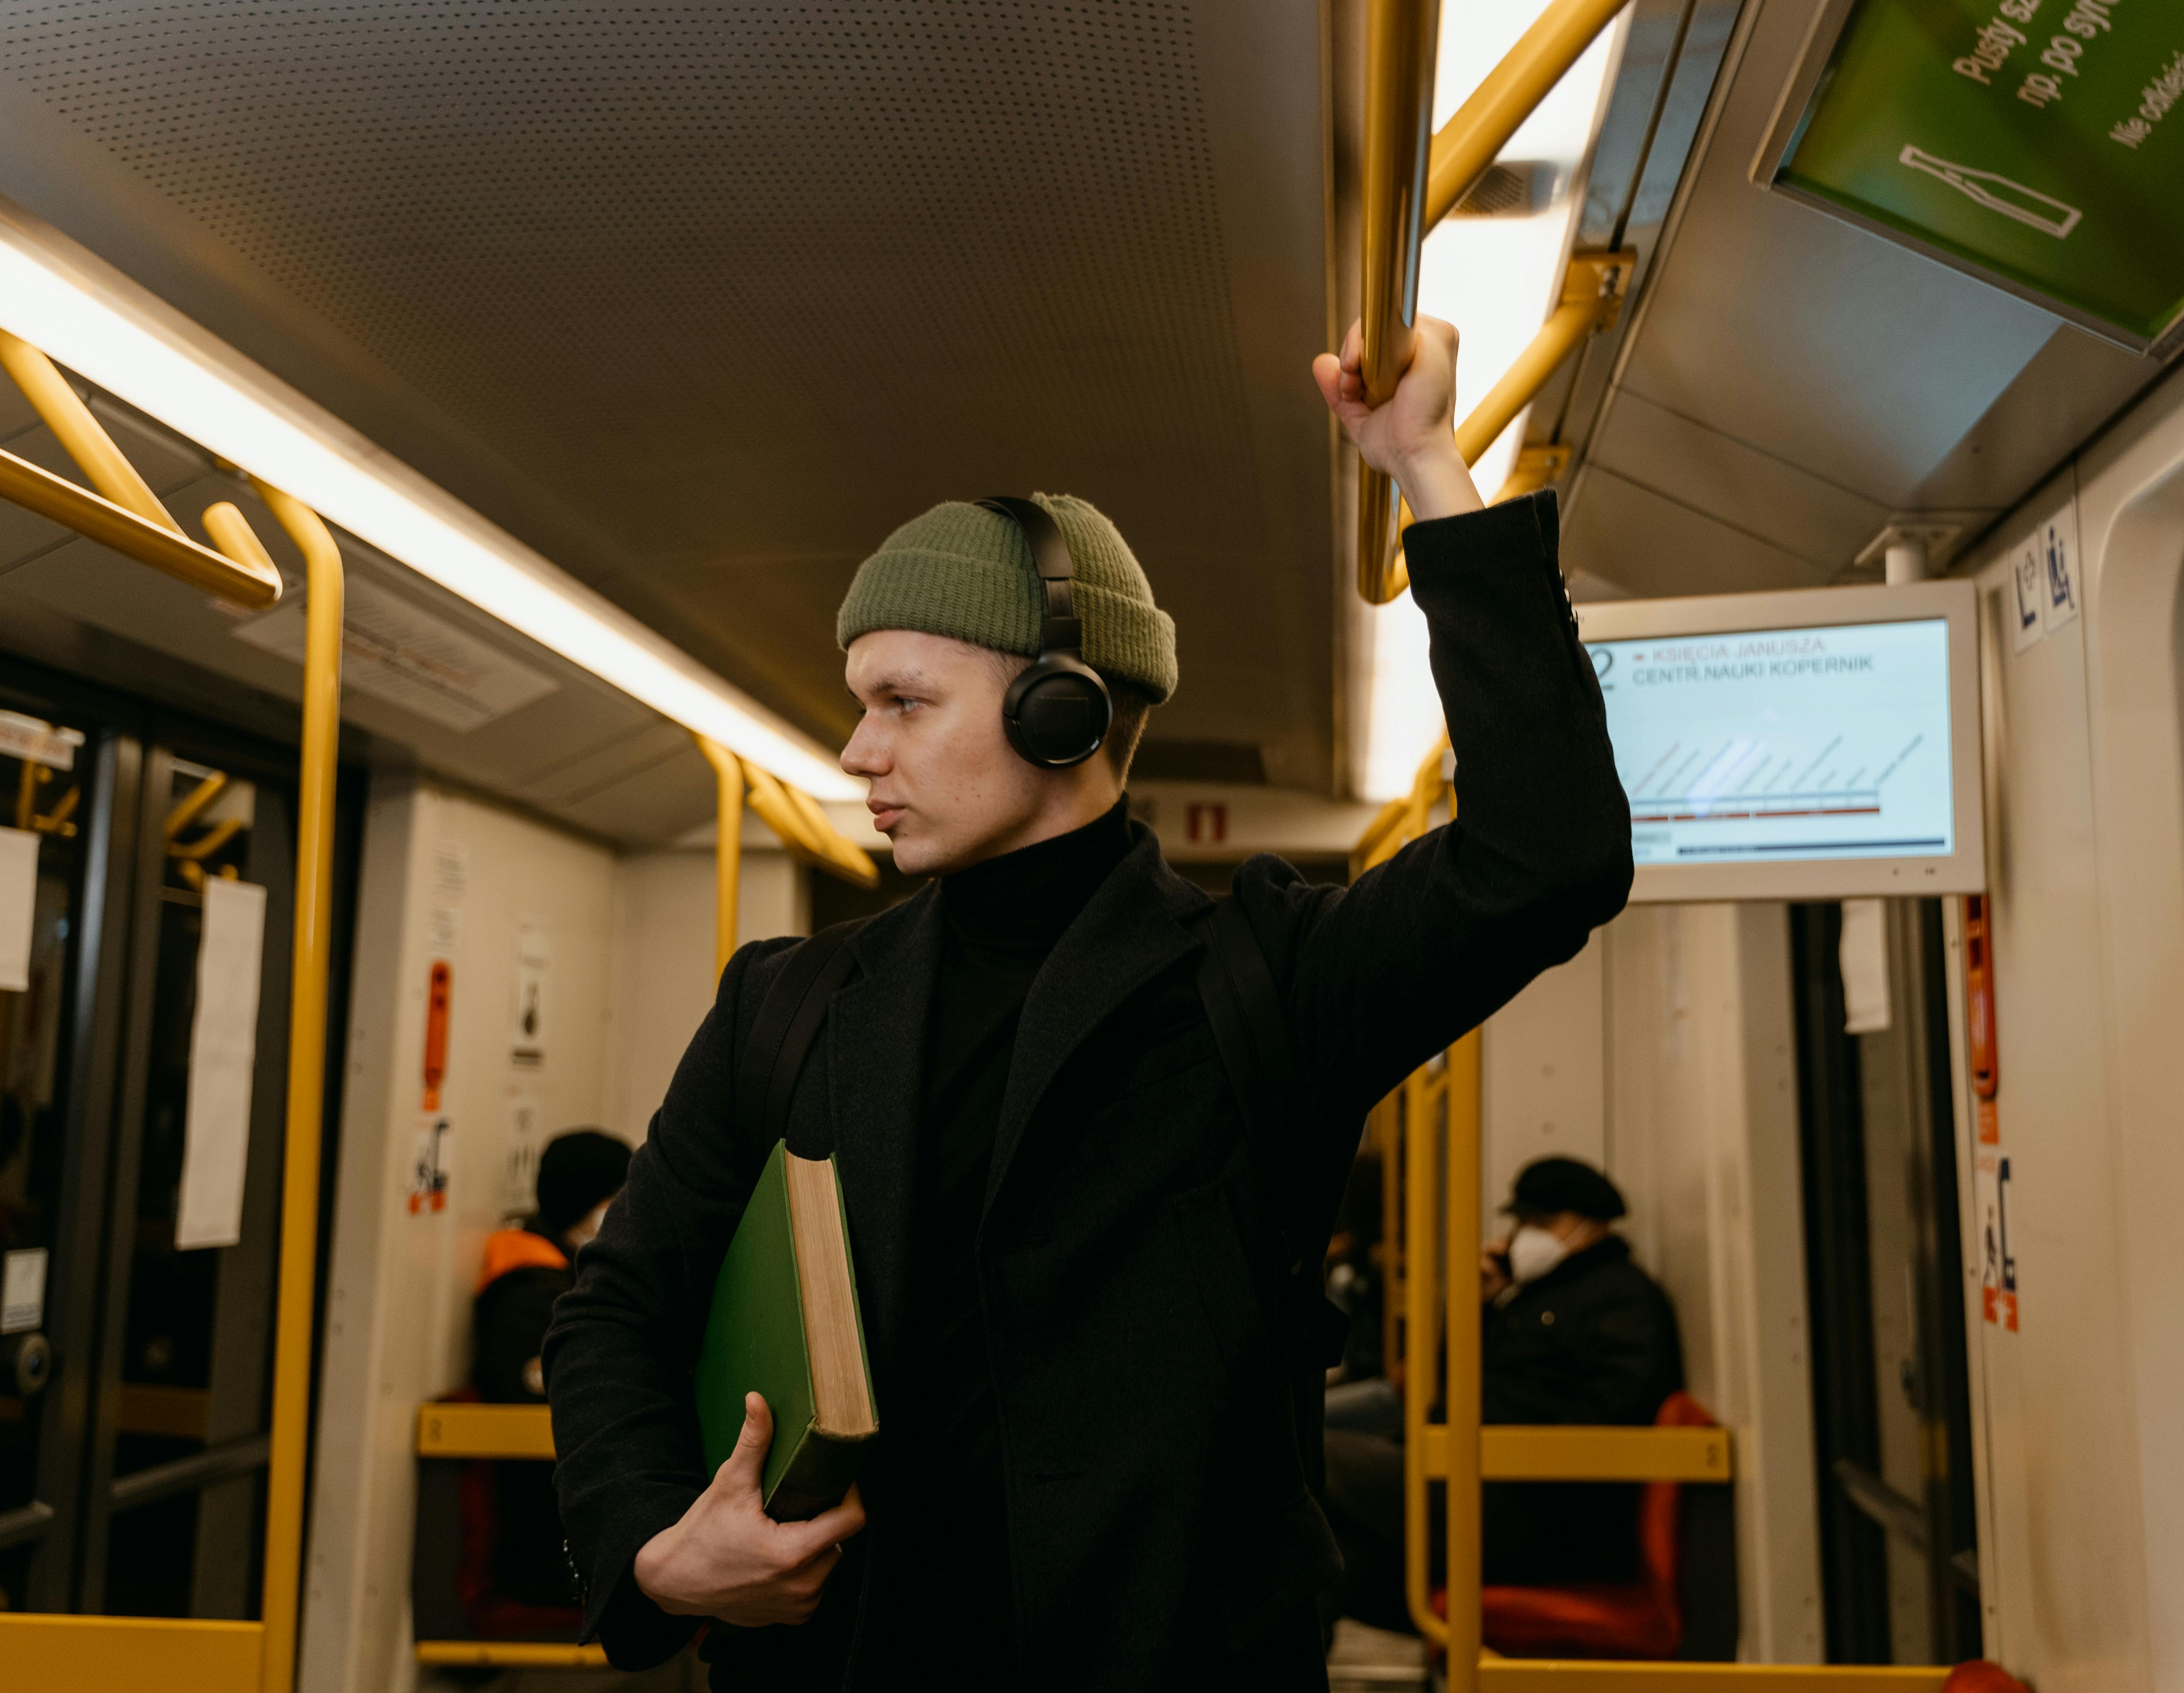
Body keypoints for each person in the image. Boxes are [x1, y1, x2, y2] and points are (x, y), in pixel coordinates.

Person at [541, 315, 1634, 1691]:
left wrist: (1426, 466)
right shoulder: (790, 999)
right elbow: (618, 1305)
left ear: (1060, 708)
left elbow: (1550, 855)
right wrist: (650, 1548)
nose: (855, 748)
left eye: (901, 700)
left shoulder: (1266, 977)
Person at [1320, 1157, 1683, 1633]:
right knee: (1331, 1549)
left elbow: (1616, 1413)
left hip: (1537, 1506)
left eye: (1541, 1222)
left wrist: (1499, 1443)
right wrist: (1476, 1307)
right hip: (1478, 1478)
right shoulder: (1530, 1295)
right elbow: (1457, 1388)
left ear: (1592, 1222)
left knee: (1307, 1452)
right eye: (1519, 1223)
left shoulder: (1623, 1298)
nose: (1520, 1236)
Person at [467, 1128, 633, 1613]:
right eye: (616, 1200)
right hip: (547, 1547)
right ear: (582, 1203)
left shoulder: (571, 1279)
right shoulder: (530, 1300)